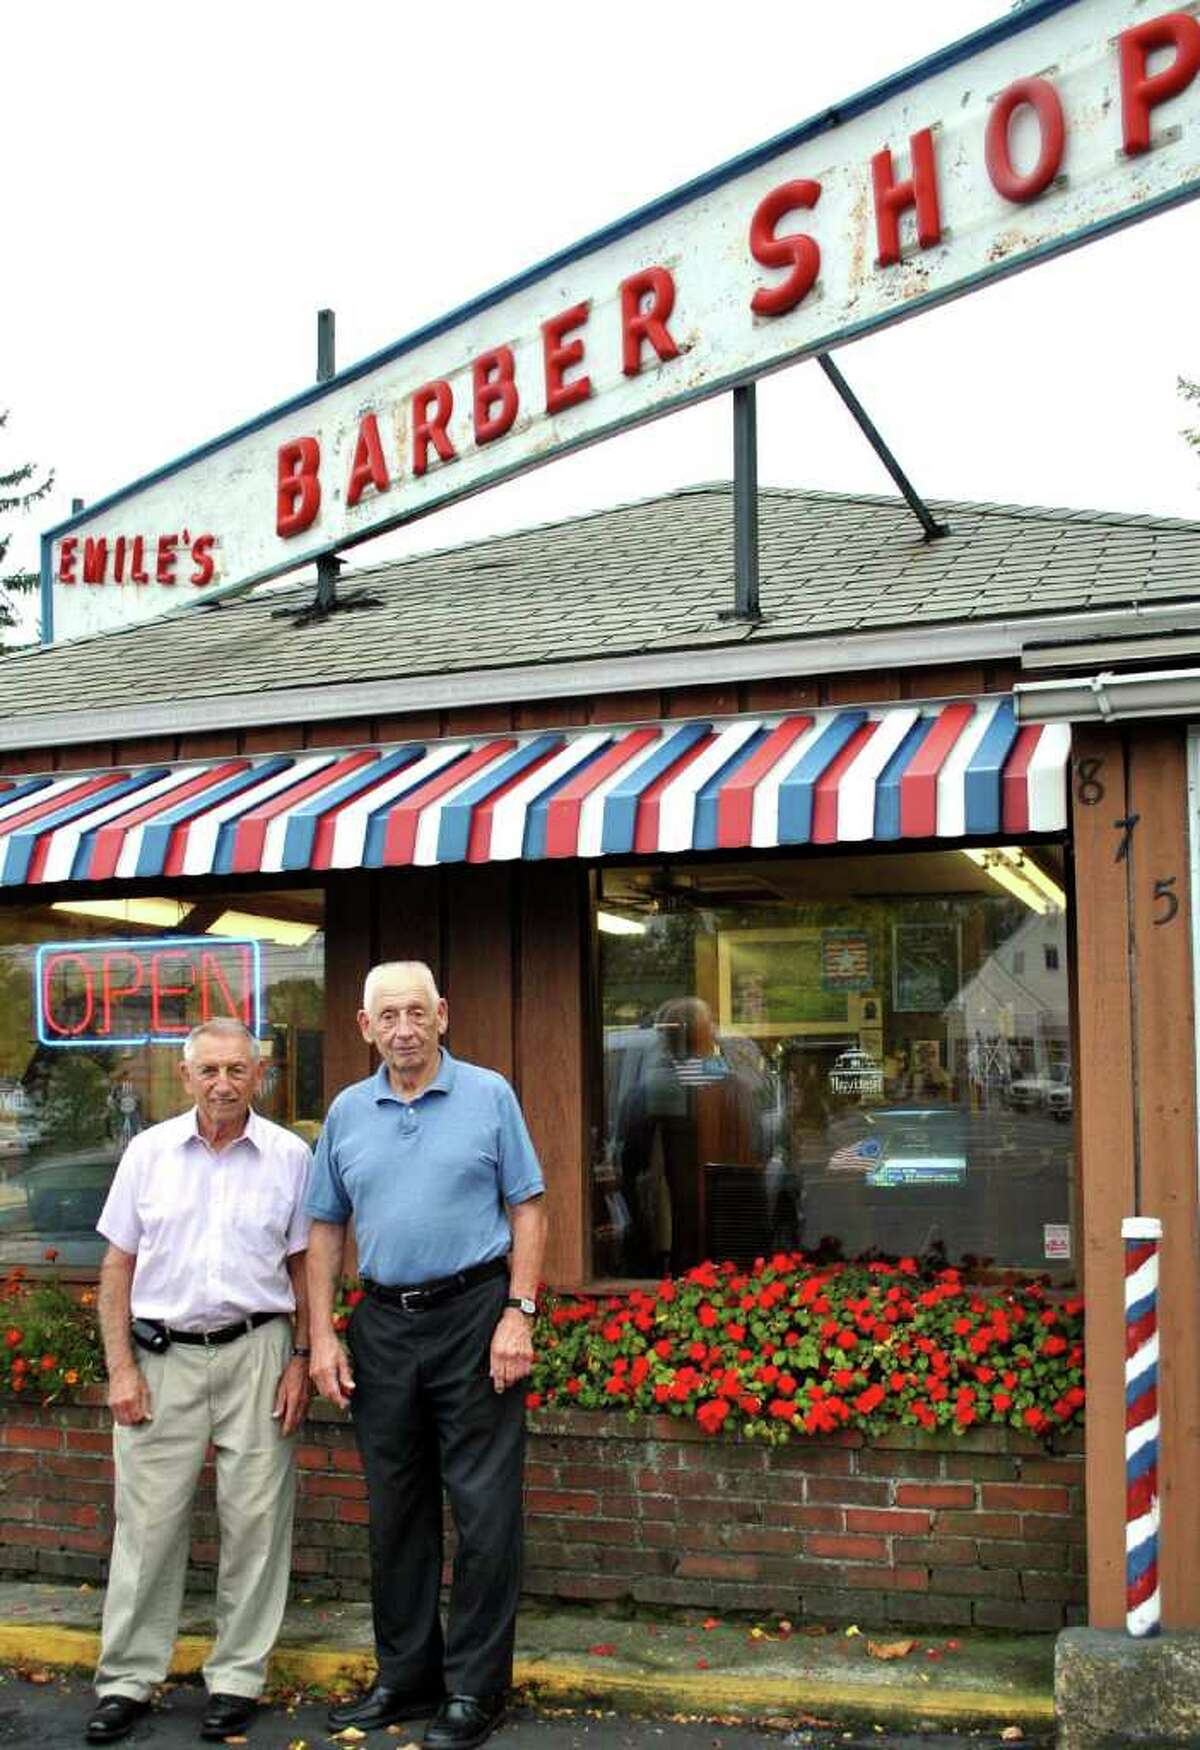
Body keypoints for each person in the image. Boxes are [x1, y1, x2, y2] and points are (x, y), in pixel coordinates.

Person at [307, 961, 546, 1750]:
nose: (404, 1028)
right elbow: (324, 1230)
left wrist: (519, 1313)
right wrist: (323, 1332)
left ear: (443, 1014)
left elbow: (529, 1210)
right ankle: (406, 1680)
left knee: (483, 1514)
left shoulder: (489, 1095)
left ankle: (475, 1691)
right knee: (397, 1513)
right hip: (381, 1323)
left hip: (475, 1318)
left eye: (417, 1011)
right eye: (388, 1015)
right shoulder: (346, 1111)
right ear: (363, 1026)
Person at [84, 1019, 313, 1746]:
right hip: (161, 1358)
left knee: (256, 1523)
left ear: (259, 1075)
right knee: (147, 1527)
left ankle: (237, 1677)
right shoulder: (148, 1155)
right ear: (185, 1077)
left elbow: (308, 1265)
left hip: (258, 1352)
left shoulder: (289, 1156)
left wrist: (304, 1356)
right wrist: (120, 1367)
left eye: (236, 1070)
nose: (222, 1083)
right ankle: (127, 1678)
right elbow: (116, 1268)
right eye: (208, 1070)